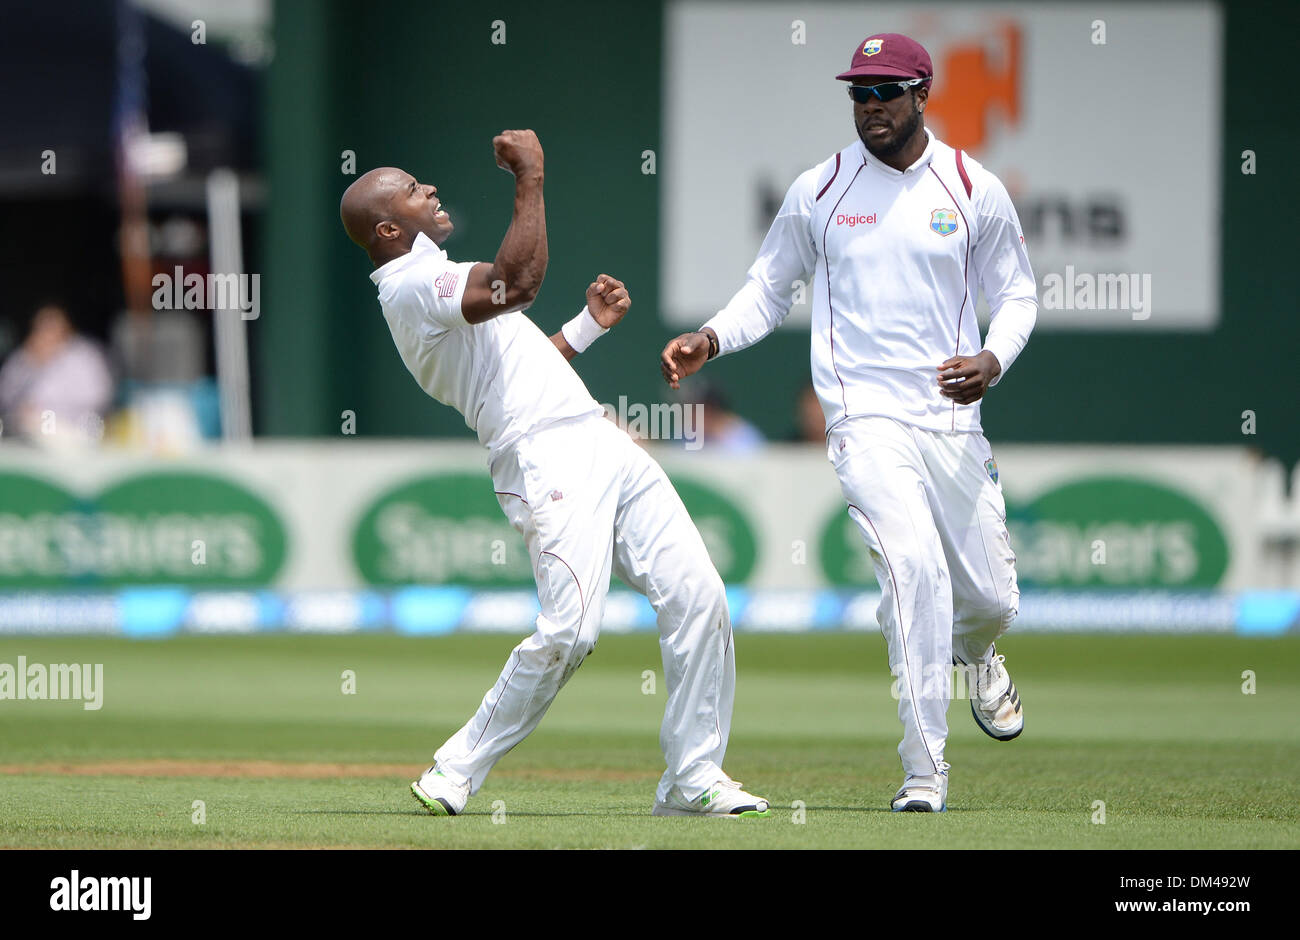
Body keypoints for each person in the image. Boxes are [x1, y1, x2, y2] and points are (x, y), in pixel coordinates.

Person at [340, 129, 769, 818]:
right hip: (543, 456)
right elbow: (516, 283)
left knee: (699, 595)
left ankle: (693, 779)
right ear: (390, 228)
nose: (433, 192)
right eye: (417, 192)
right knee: (571, 631)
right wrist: (531, 178)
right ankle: (454, 770)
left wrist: (586, 328)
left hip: (596, 437)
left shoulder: (434, 281)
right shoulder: (413, 285)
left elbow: (521, 360)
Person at [661, 34, 1036, 813]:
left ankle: (978, 652)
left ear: (923, 93)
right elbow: (768, 289)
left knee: (993, 600)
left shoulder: (973, 185)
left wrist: (992, 359)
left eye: (886, 91)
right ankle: (924, 770)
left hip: (952, 422)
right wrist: (711, 336)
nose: (870, 106)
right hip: (863, 418)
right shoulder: (821, 190)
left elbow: (1019, 294)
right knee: (912, 572)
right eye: (858, 93)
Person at [0, 303, 114, 445]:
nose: (48, 330)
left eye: (53, 324)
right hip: (26, 436)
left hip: (76, 433)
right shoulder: (24, 356)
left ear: (67, 326)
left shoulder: (85, 354)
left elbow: (99, 395)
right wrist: (33, 365)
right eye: (43, 325)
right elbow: (5, 394)